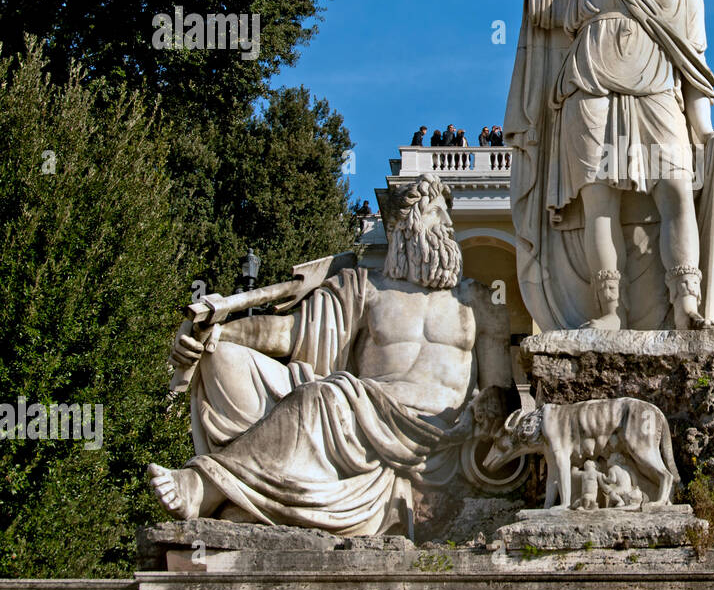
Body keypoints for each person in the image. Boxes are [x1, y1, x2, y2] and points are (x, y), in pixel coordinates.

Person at [149, 174, 515, 534]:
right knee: (225, 358)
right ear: (407, 224)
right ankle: (254, 498)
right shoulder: (363, 290)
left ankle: (206, 485)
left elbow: (503, 392)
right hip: (362, 413)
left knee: (325, 396)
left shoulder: (478, 300)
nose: (449, 224)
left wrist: (491, 404)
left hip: (440, 430)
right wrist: (215, 333)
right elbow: (288, 333)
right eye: (437, 212)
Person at [487, 0, 714, 332]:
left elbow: (694, 74)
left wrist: (704, 132)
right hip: (588, 91)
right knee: (600, 202)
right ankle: (608, 311)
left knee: (676, 191)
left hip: (657, 93)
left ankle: (686, 304)